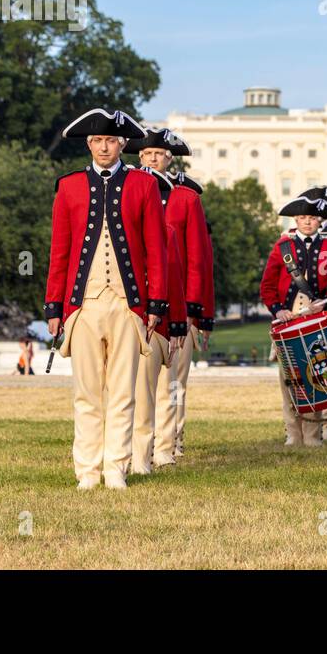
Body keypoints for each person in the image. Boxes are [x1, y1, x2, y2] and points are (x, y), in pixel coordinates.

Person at [44, 109, 168, 490]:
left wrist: (156, 305)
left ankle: (116, 468)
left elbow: (155, 250)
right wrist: (53, 307)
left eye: (111, 140)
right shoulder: (68, 187)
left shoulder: (144, 186)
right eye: (97, 141)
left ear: (123, 144)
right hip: (83, 305)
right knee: (86, 392)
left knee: (122, 391)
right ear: (88, 144)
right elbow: (60, 251)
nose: (103, 147)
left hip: (127, 305)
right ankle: (87, 470)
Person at [127, 127, 214, 465]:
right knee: (137, 383)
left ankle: (167, 444)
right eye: (148, 154)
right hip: (140, 301)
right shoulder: (130, 194)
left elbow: (198, 258)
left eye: (160, 154)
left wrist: (196, 310)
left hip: (179, 305)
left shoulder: (185, 199)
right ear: (140, 158)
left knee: (173, 384)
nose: (153, 159)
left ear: (169, 158)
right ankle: (140, 446)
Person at [261, 193, 327, 446]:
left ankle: (313, 434)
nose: (307, 222)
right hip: (289, 319)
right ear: (296, 219)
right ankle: (293, 433)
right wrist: (277, 310)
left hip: (320, 319)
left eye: (312, 218)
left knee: (317, 376)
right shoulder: (282, 247)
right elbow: (268, 286)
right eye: (303, 217)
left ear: (320, 220)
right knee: (289, 378)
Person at [131, 167, 189, 475]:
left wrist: (178, 322)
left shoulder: (167, 233)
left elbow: (174, 277)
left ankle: (143, 457)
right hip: (121, 319)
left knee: (145, 394)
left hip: (153, 325)